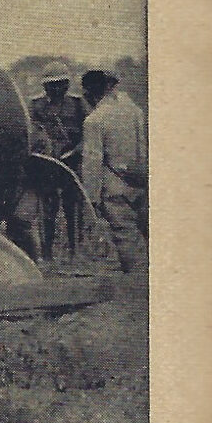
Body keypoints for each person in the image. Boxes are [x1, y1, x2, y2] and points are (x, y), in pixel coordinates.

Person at [80, 66, 148, 274]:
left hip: (114, 185)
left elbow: (92, 161)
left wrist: (91, 198)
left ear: (90, 93)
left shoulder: (94, 120)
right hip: (140, 179)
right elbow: (142, 147)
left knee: (125, 234)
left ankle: (136, 278)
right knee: (147, 229)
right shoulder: (134, 111)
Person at [28, 60, 88, 260]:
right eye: (51, 84)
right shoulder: (35, 105)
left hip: (71, 164)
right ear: (44, 86)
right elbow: (31, 133)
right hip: (48, 166)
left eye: (61, 84)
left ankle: (75, 251)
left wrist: (76, 151)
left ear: (67, 84)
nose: (56, 88)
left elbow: (90, 134)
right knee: (47, 209)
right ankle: (46, 253)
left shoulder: (78, 104)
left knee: (73, 208)